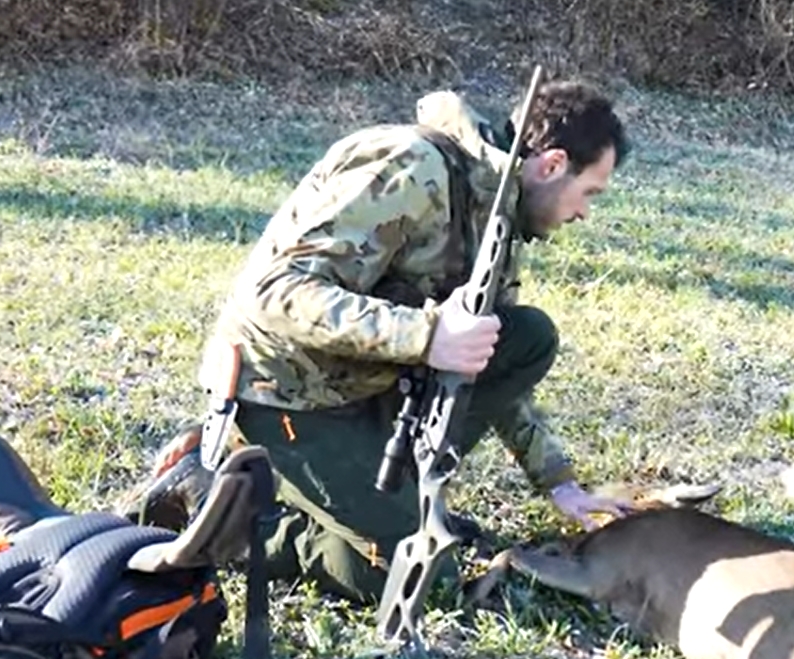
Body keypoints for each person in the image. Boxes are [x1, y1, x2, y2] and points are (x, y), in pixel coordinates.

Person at [127, 78, 633, 605]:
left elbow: (477, 355)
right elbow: (275, 294)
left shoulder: (497, 213)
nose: (584, 213)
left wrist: (558, 481)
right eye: (589, 192)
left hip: (363, 387)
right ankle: (207, 496)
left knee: (526, 337)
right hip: (283, 392)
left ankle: (367, 498)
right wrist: (427, 336)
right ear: (551, 165)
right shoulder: (410, 166)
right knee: (418, 574)